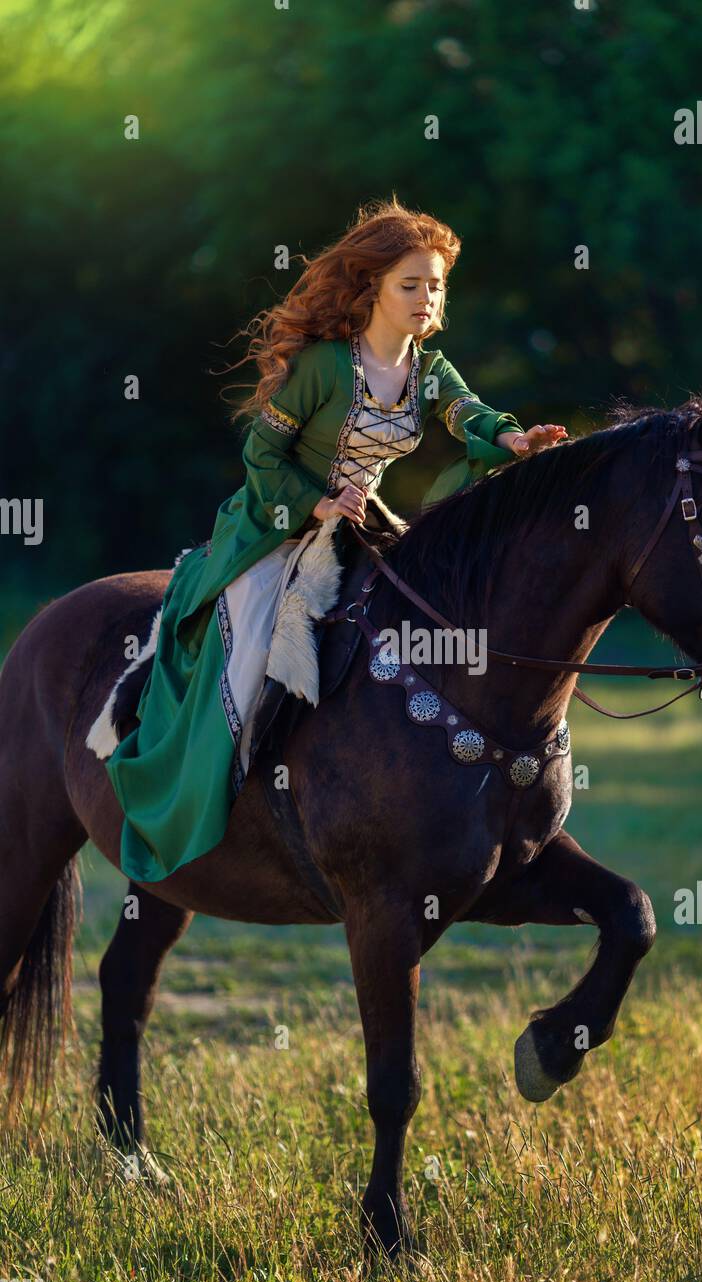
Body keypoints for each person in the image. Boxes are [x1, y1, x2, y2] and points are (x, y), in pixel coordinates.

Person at [94, 197, 567, 883]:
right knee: (251, 642)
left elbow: (471, 413)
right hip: (274, 528)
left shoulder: (429, 368)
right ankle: (221, 780)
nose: (426, 297)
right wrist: (315, 503)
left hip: (362, 523)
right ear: (371, 287)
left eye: (435, 284)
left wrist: (515, 439)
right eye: (411, 284)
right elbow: (261, 456)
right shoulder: (320, 367)